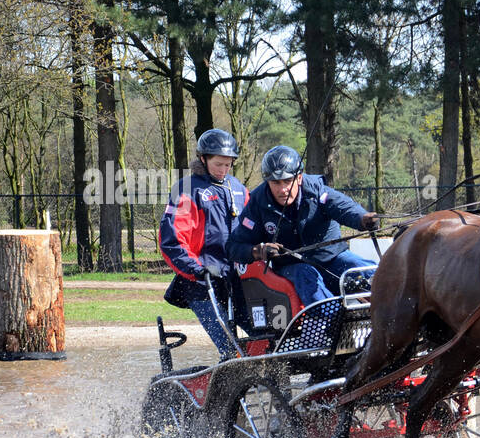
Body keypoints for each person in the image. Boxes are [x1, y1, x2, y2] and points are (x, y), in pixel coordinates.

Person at [226, 145, 380, 307]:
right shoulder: (257, 203)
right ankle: (332, 319)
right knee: (305, 274)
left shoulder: (318, 191)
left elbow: (343, 207)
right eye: (276, 183)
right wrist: (258, 251)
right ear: (267, 182)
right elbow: (233, 247)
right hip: (292, 268)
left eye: (287, 181)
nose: (283, 189)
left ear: (299, 178)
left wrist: (363, 219)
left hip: (333, 258)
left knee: (365, 269)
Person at [158, 128, 249, 357]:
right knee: (231, 350)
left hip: (236, 280)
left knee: (263, 342)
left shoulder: (238, 188)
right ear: (203, 158)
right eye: (219, 164)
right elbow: (172, 240)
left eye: (228, 165)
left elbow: (253, 228)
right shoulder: (187, 189)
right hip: (200, 283)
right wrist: (197, 270)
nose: (224, 170)